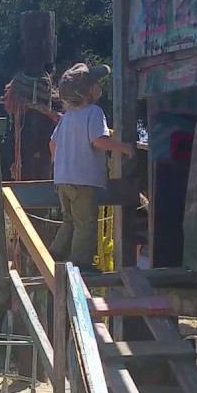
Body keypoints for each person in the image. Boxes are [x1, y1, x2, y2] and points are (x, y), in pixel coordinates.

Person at [48, 63, 133, 270]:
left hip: (63, 179)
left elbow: (52, 144)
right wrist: (124, 147)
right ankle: (81, 264)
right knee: (85, 223)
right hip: (84, 179)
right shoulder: (94, 112)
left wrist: (61, 163)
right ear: (87, 90)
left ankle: (55, 254)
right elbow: (98, 140)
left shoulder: (67, 118)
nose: (98, 86)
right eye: (95, 83)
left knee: (70, 220)